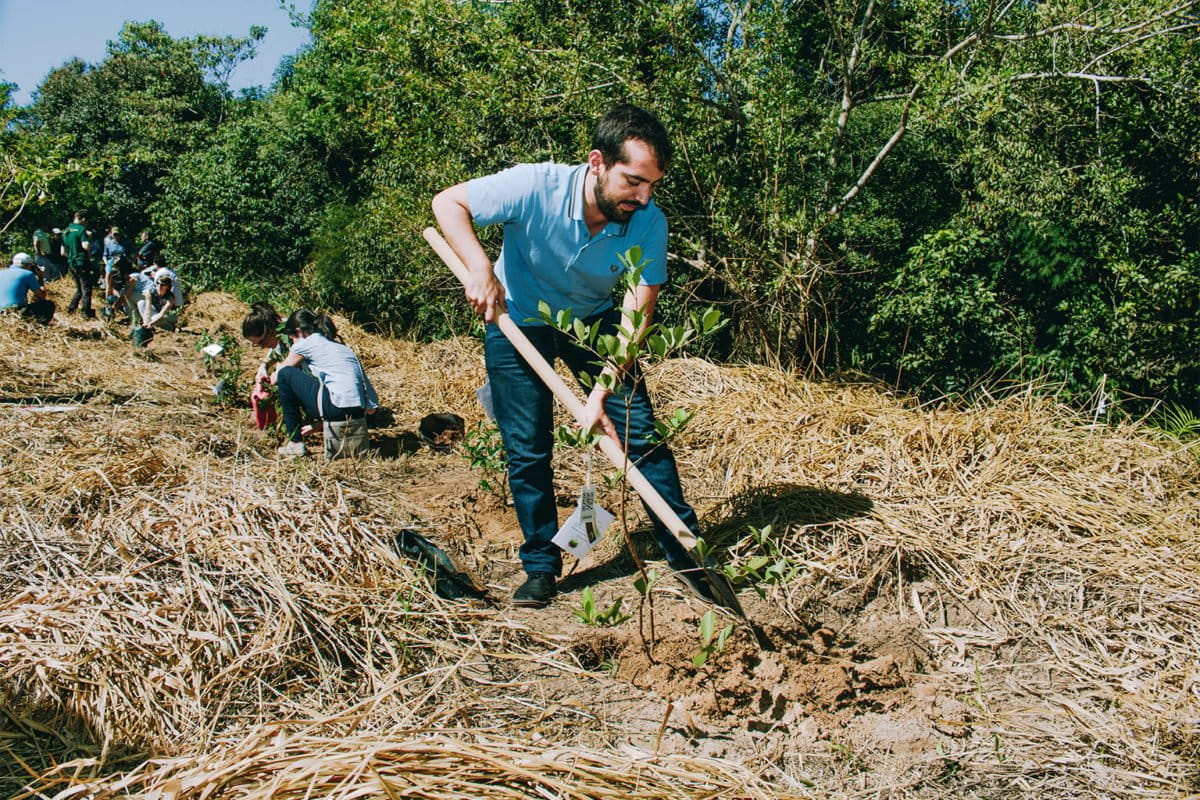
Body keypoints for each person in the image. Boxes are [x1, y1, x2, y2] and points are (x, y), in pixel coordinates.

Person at [431, 103, 700, 608]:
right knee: (527, 446)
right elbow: (447, 203)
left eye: (652, 186)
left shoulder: (648, 221)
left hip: (592, 322)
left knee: (637, 429)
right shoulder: (535, 185)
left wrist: (600, 392)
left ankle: (686, 551)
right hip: (517, 316)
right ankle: (540, 566)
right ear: (597, 162)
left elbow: (638, 308)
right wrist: (479, 267)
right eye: (633, 182)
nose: (643, 198)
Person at [271, 309, 378, 458]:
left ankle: (295, 443)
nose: (292, 344)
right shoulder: (343, 348)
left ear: (299, 332)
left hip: (336, 407)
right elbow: (371, 405)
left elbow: (276, 378)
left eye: (292, 339)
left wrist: (274, 369)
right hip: (358, 412)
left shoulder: (306, 344)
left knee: (285, 374)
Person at [0, 252, 54, 324]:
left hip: (2, 313)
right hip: (16, 311)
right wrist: (41, 278)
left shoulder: (1, 273)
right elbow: (41, 297)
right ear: (27, 265)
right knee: (48, 305)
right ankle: (39, 327)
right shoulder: (28, 274)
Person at [61, 212, 90, 294]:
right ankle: (85, 307)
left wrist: (71, 256)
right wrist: (89, 238)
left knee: (79, 288)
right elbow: (86, 246)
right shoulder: (81, 229)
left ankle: (72, 306)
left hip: (71, 263)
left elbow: (62, 252)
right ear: (83, 219)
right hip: (81, 261)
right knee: (86, 288)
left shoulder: (66, 231)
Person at [102, 226, 128, 299]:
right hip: (111, 264)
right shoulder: (109, 244)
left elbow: (130, 254)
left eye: (117, 234)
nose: (116, 236)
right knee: (108, 285)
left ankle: (120, 301)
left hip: (122, 265)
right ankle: (108, 302)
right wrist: (107, 263)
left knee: (121, 285)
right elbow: (104, 255)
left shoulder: (125, 243)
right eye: (114, 235)